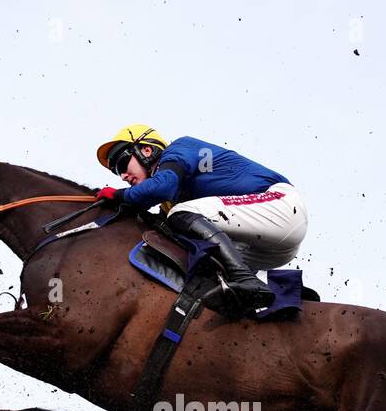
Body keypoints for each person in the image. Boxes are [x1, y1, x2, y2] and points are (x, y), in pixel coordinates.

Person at [93, 125, 307, 312]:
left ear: (146, 150)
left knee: (180, 215)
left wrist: (117, 195)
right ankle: (286, 292)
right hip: (271, 248)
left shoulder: (180, 149)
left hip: (281, 205)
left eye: (122, 165)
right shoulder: (174, 198)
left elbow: (160, 187)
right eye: (116, 173)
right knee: (199, 258)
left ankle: (247, 279)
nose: (122, 176)